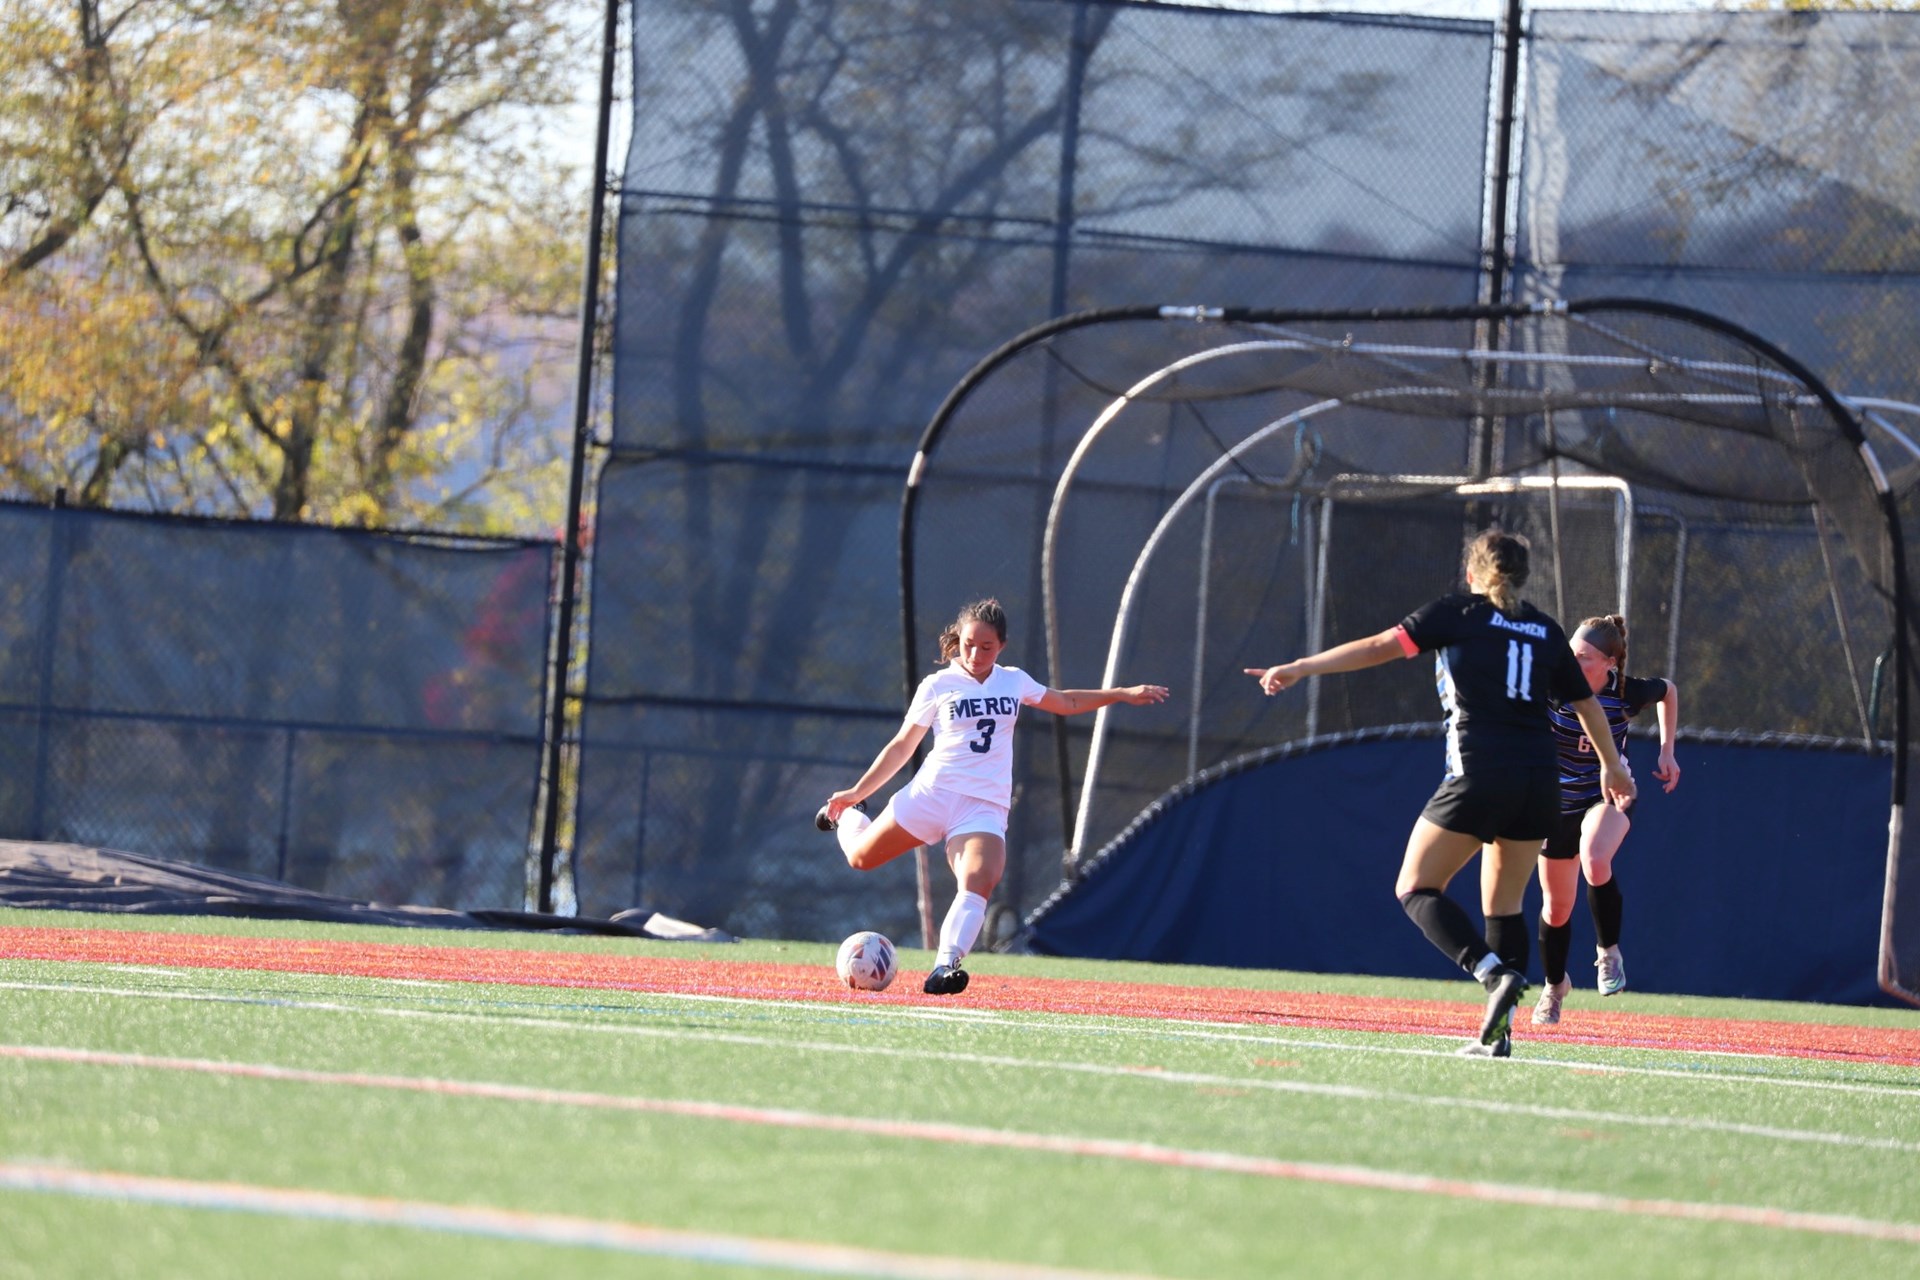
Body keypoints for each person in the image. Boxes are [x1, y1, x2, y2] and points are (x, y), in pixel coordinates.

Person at [1246, 529, 1635, 1057]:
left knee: (1415, 887)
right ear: (1523, 577)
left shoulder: (1459, 612)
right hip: (1539, 783)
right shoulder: (1544, 630)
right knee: (1503, 908)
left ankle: (1492, 973)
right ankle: (1498, 1039)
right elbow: (1588, 703)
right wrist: (1611, 765)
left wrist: (1299, 666)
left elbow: (1379, 647)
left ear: (1472, 574)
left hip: (1481, 773)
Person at [818, 598, 1168, 995]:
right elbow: (902, 746)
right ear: (957, 642)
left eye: (987, 647)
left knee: (979, 881)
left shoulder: (1013, 680)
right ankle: (848, 815)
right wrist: (855, 793)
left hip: (983, 806)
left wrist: (1121, 693)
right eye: (968, 644)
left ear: (1001, 646)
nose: (976, 653)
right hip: (933, 794)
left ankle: (944, 967)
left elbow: (1066, 702)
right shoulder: (938, 685)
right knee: (859, 858)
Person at [1526, 614, 1680, 1025]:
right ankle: (1554, 986)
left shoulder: (1625, 692)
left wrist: (1667, 751)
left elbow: (1668, 691)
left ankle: (1608, 953)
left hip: (1606, 794)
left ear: (1610, 663)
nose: (1572, 663)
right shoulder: (1553, 686)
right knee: (1556, 909)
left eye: (1584, 657)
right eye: (1570, 653)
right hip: (1555, 804)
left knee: (1594, 857)